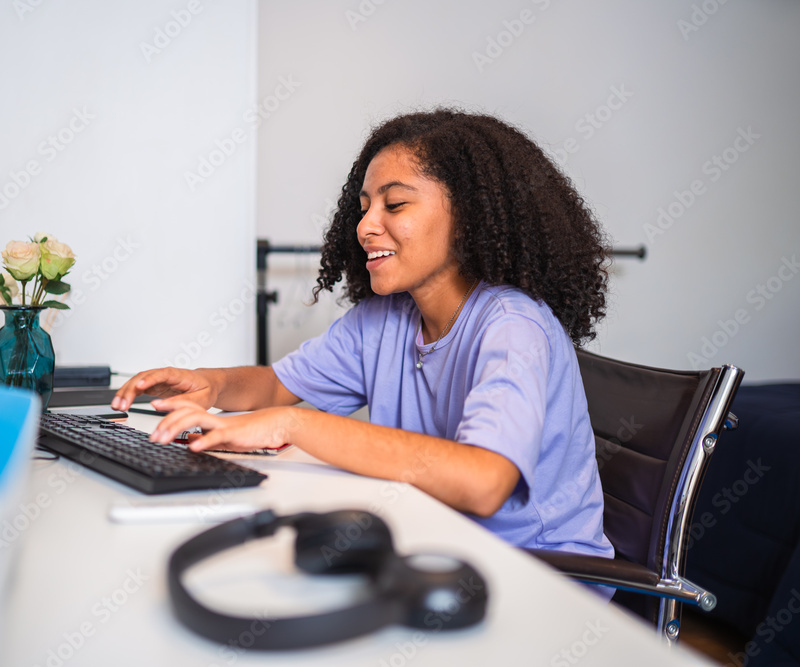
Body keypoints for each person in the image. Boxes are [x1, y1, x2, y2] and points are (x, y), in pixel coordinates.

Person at [112, 108, 613, 557]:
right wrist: (213, 385)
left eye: (394, 206)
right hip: (439, 542)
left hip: (540, 573)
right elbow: (275, 385)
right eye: (364, 206)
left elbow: (483, 482)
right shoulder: (386, 317)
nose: (366, 225)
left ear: (468, 218)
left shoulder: (512, 326)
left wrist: (291, 426)